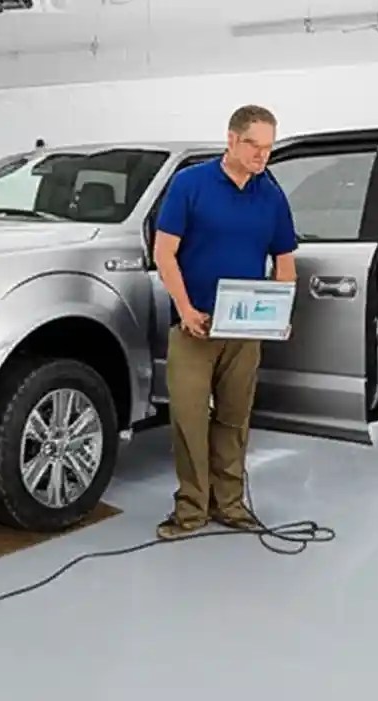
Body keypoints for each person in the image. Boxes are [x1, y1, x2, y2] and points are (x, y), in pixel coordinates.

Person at [152, 104, 298, 539]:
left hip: (245, 330)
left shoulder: (270, 195)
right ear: (232, 139)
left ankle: (230, 505)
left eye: (268, 147)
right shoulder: (190, 184)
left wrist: (279, 313)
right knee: (189, 419)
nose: (261, 155)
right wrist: (185, 309)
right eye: (254, 144)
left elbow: (285, 261)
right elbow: (164, 252)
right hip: (196, 325)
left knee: (234, 419)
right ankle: (191, 509)